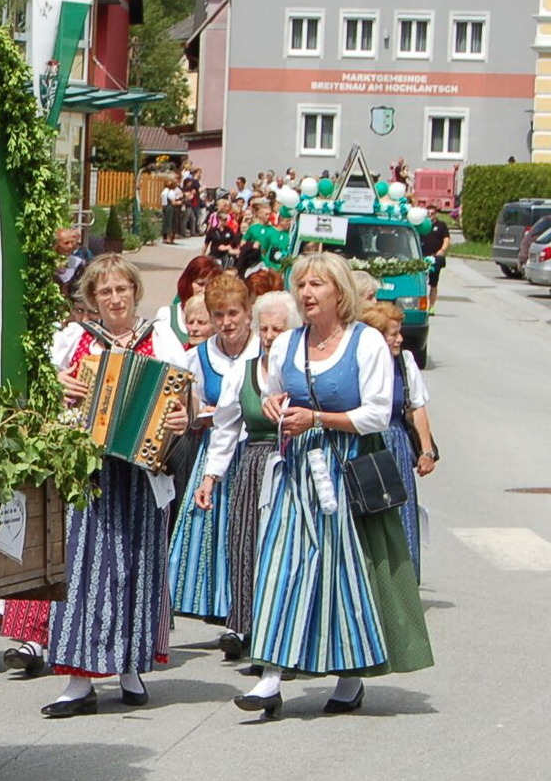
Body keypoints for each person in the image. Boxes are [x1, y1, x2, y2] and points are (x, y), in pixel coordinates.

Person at [238, 253, 433, 716]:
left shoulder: (366, 344)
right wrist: (275, 407)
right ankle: (269, 675)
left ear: (339, 293)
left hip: (347, 470)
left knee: (348, 574)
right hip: (298, 471)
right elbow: (273, 392)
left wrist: (318, 418)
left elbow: (376, 414)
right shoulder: (287, 345)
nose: (307, 293)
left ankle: (349, 676)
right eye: (302, 284)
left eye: (317, 285)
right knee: (280, 566)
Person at [40, 254, 191, 717]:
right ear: (92, 299)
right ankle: (77, 680)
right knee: (83, 569)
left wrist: (183, 418)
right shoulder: (74, 342)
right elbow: (45, 392)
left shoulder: (160, 338)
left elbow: (183, 397)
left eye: (122, 288)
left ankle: (131, 667)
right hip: (90, 469)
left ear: (135, 292)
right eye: (105, 291)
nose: (115, 298)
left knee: (137, 566)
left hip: (142, 471)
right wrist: (61, 386)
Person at [197, 288, 295, 661]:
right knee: (242, 543)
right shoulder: (244, 369)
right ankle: (242, 625)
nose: (270, 337)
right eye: (265, 329)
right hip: (253, 461)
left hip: (290, 463)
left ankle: (281, 633)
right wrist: (211, 477)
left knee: (282, 550)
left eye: (278, 330)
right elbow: (225, 428)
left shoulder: (299, 372)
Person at [168, 273, 257, 634]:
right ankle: (225, 609)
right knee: (215, 534)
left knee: (251, 532)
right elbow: (188, 407)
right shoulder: (200, 356)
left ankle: (248, 616)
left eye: (233, 313)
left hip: (254, 449)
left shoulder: (264, 352)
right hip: (214, 447)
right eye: (218, 315)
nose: (226, 323)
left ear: (248, 313)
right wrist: (193, 413)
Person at [359, 302, 438, 574]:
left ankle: (403, 578)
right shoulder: (360, 363)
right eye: (392, 333)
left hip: (395, 444)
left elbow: (417, 408)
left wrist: (426, 451)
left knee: (400, 514)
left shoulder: (404, 363)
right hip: (365, 444)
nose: (400, 339)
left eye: (399, 332)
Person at [421, 207, 453, 309]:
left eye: (432, 213)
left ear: (436, 214)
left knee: (433, 284)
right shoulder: (422, 225)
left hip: (435, 258)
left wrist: (442, 250)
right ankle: (421, 305)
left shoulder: (441, 225)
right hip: (422, 257)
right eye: (428, 213)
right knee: (421, 283)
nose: (430, 214)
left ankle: (431, 306)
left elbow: (446, 239)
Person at [55, 223, 90, 296]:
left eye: (72, 242)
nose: (70, 246)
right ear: (56, 245)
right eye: (66, 243)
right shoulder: (47, 263)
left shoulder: (78, 263)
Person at [160, 177, 183, 244]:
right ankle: (169, 238)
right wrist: (179, 202)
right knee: (171, 223)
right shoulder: (171, 192)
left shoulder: (164, 191)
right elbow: (173, 202)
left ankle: (165, 237)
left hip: (166, 207)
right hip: (171, 208)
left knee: (166, 222)